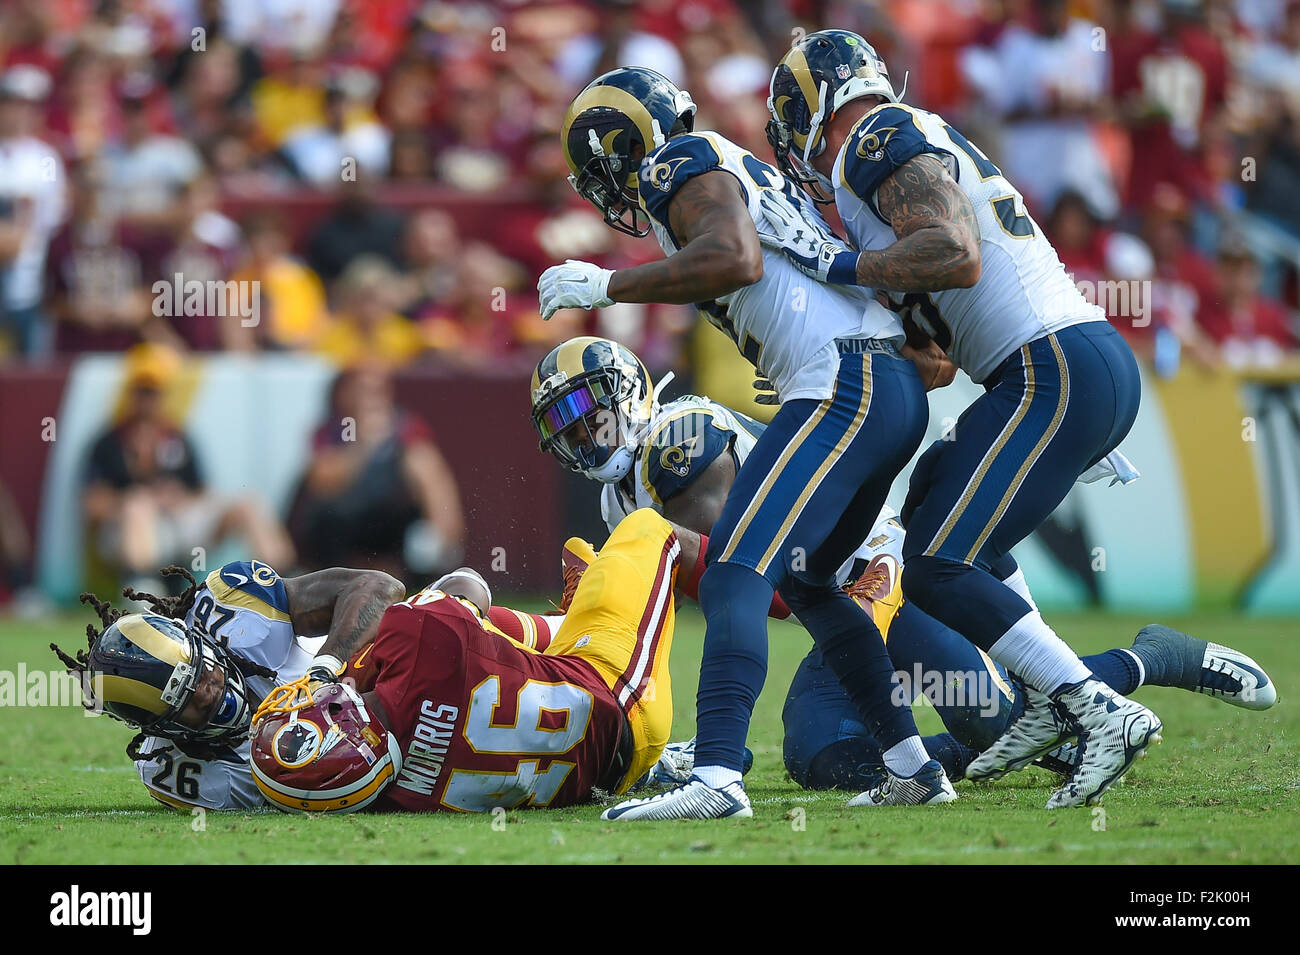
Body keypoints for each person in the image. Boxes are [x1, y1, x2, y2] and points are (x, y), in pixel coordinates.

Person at [531, 337, 1278, 792]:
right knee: (821, 752)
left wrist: (623, 570)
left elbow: (743, 562)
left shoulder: (681, 436)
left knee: (1002, 721)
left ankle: (1153, 657)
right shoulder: (618, 505)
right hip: (836, 612)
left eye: (588, 409)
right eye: (564, 427)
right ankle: (965, 758)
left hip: (879, 579)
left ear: (626, 389)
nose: (584, 433)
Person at [763, 29, 1160, 808]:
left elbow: (953, 252)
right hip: (1052, 366)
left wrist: (829, 263)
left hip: (1053, 365)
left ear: (811, 110)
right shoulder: (889, 157)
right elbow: (939, 356)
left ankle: (1089, 702)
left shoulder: (873, 138)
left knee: (939, 562)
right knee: (934, 497)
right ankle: (1051, 694)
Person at [536, 70, 948, 820]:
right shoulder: (718, 163)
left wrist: (605, 286)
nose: (606, 190)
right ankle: (914, 766)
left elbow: (735, 258)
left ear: (626, 147)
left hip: (843, 380)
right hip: (876, 380)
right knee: (814, 585)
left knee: (733, 570)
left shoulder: (678, 161)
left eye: (601, 170)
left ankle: (719, 777)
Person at [249, 509, 692, 814]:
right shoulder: (417, 638)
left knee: (479, 647)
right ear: (341, 717)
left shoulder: (398, 797)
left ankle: (568, 626)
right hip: (622, 697)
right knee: (650, 529)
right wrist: (339, 666)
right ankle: (756, 580)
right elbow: (468, 586)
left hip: (600, 776)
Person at [51, 560, 405, 810]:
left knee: (459, 584)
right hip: (381, 749)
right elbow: (321, 786)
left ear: (199, 641)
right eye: (186, 701)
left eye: (199, 672)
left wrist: (323, 672)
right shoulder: (176, 771)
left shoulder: (235, 607)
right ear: (163, 728)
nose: (206, 691)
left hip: (377, 665)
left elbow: (379, 587)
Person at [82, 344, 295, 589]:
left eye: (154, 393)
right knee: (139, 504)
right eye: (143, 392)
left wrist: (177, 498)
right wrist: (140, 498)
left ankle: (283, 580)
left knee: (248, 503)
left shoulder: (178, 438)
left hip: (182, 525)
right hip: (131, 532)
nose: (148, 401)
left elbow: (202, 491)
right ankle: (142, 585)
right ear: (131, 394)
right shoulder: (108, 443)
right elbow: (92, 506)